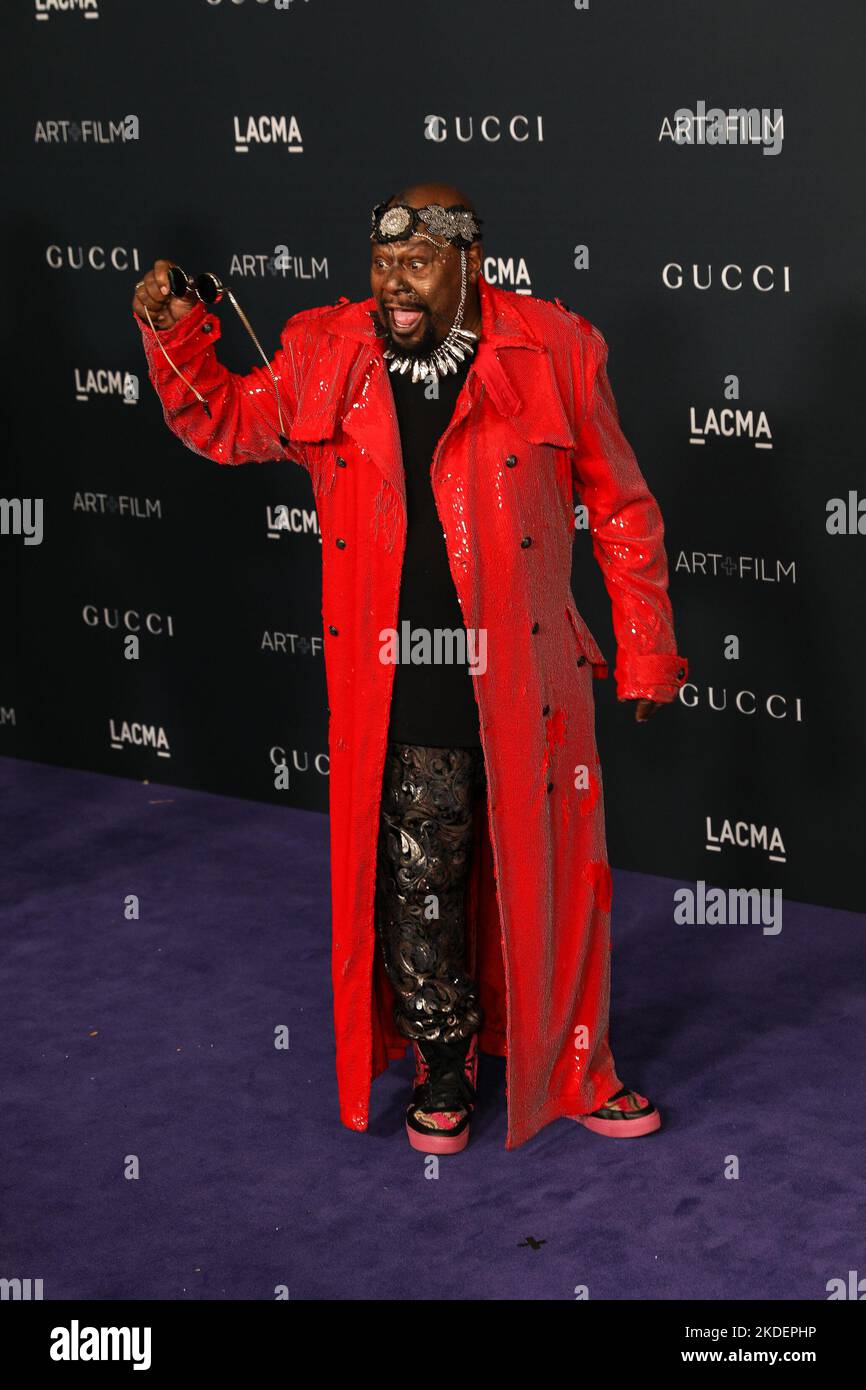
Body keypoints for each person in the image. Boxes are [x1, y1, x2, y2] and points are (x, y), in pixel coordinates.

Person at [132, 182, 688, 1155]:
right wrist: (182, 338)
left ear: (469, 261)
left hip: (527, 676)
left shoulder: (555, 346)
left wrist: (643, 643)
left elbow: (622, 504)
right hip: (404, 680)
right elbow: (222, 421)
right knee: (419, 882)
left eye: (416, 264)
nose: (393, 283)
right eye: (381, 263)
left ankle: (577, 1064)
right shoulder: (324, 349)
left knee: (559, 882)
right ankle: (442, 1066)